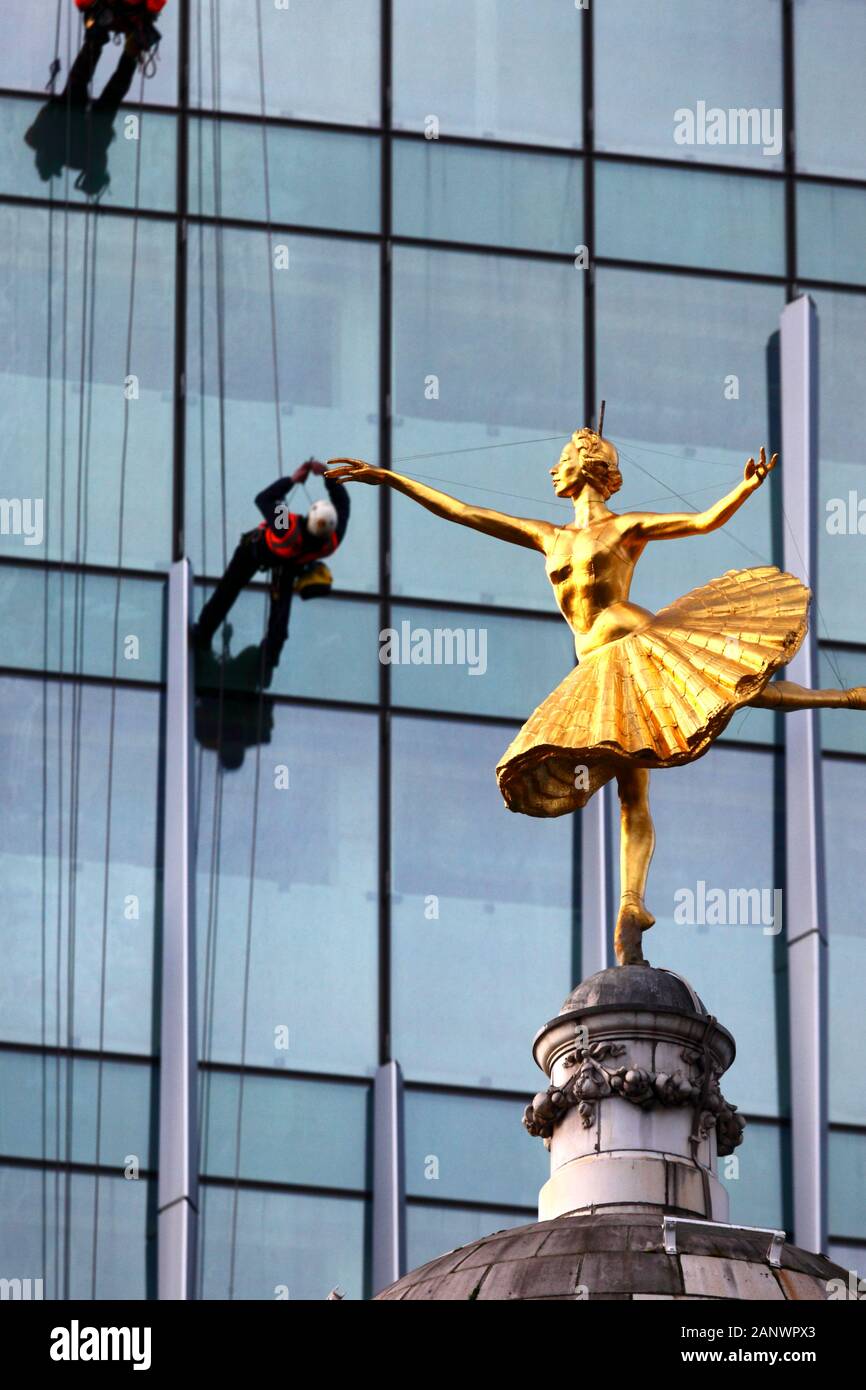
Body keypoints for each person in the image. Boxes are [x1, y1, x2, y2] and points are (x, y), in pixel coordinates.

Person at [327, 430, 866, 967]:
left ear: (587, 466)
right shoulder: (547, 536)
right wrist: (390, 478)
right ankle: (632, 906)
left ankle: (842, 698)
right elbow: (465, 512)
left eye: (561, 461)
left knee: (733, 687)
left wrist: (744, 489)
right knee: (635, 790)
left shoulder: (625, 528)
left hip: (635, 640)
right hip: (598, 668)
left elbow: (703, 521)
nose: (552, 471)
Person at [194, 460, 350, 685]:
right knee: (279, 617)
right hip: (286, 567)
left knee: (228, 590)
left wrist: (292, 480)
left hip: (255, 552)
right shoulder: (332, 539)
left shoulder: (285, 525)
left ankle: (203, 633)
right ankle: (268, 661)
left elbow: (265, 498)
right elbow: (343, 503)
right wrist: (328, 476)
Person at [24, 5, 163, 196]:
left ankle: (123, 46)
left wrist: (95, 176)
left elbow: (98, 153)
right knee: (84, 80)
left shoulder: (69, 156)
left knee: (107, 89)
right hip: (81, 118)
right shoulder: (37, 141)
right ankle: (103, 38)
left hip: (88, 122)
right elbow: (46, 114)